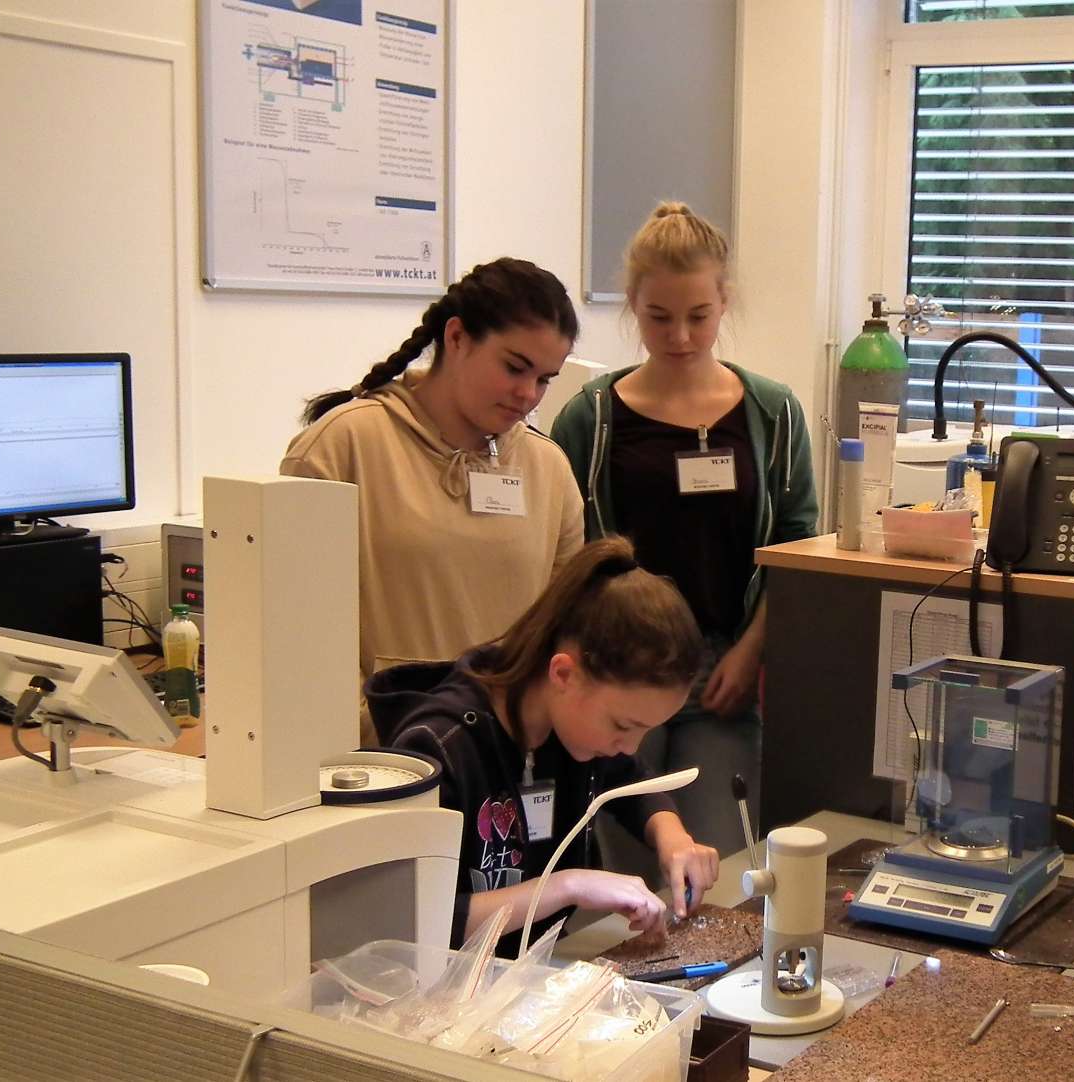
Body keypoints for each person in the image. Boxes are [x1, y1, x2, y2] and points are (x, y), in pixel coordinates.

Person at [551, 203, 817, 854]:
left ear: (725, 301)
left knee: (718, 866)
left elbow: (795, 544)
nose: (679, 337)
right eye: (658, 318)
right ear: (632, 306)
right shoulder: (591, 419)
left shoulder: (773, 412)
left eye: (698, 316)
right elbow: (567, 556)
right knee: (634, 879)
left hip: (723, 669)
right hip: (619, 671)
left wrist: (751, 649)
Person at [367, 536, 720, 951]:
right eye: (624, 725)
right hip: (443, 992)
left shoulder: (571, 726)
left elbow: (630, 778)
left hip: (533, 971)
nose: (628, 746)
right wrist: (567, 885)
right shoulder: (441, 748)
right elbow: (406, 920)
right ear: (563, 674)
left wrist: (674, 839)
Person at [282, 258, 587, 739]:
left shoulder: (547, 468)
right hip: (381, 757)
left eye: (545, 378)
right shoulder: (340, 449)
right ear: (457, 338)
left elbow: (563, 631)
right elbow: (294, 635)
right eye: (514, 367)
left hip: (501, 759)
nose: (528, 394)